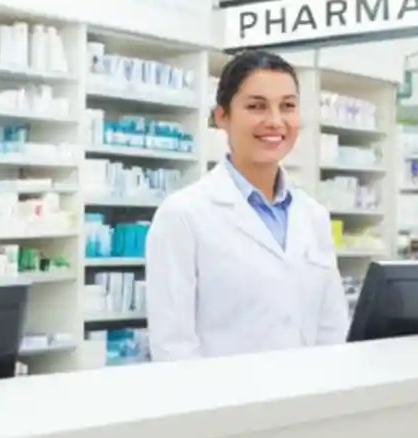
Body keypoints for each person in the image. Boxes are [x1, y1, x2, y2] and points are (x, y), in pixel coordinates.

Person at [145, 50, 348, 361]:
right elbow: (173, 346)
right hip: (227, 403)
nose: (275, 121)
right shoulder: (183, 215)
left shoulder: (313, 216)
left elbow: (331, 329)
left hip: (309, 399)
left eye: (288, 106)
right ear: (222, 116)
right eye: (256, 106)